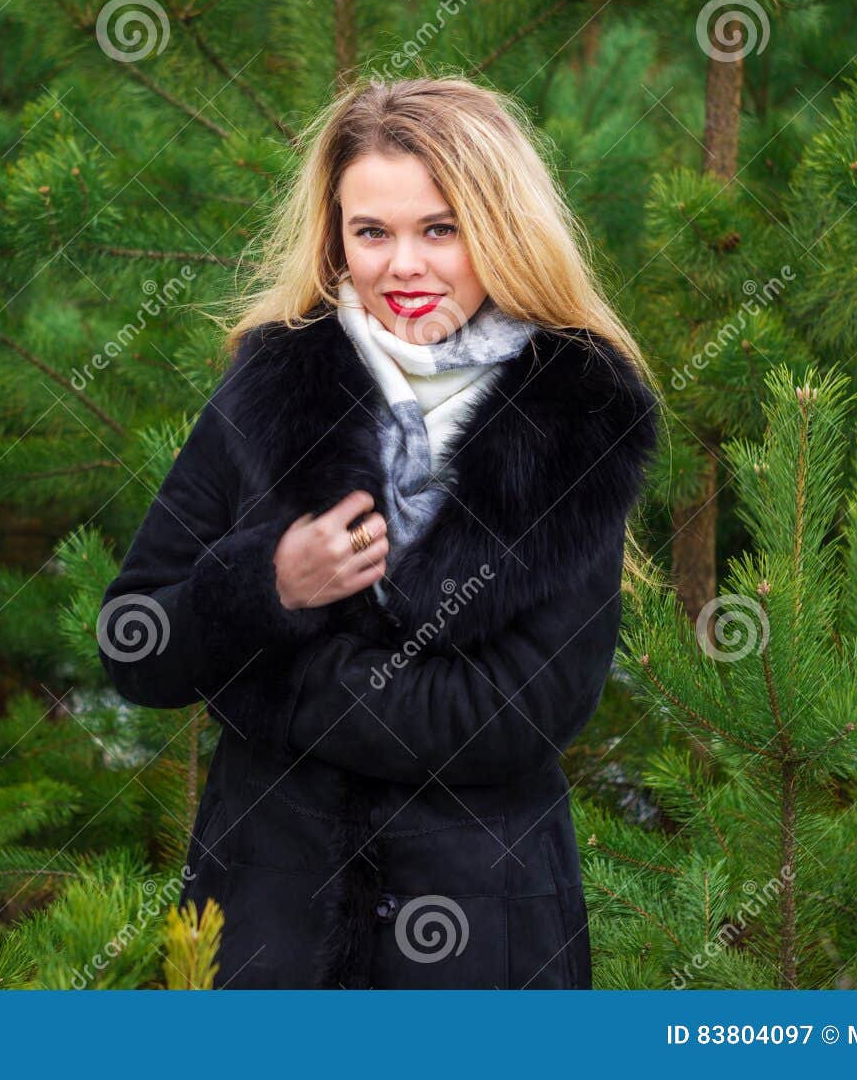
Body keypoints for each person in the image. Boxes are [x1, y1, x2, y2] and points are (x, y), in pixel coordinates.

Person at [96, 76, 660, 988]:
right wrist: (266, 583)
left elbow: (510, 717)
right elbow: (135, 643)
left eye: (441, 229)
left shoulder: (579, 420)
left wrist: (266, 690)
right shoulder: (271, 387)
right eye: (372, 232)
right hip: (268, 931)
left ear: (501, 226)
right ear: (335, 236)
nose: (404, 265)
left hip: (485, 943)